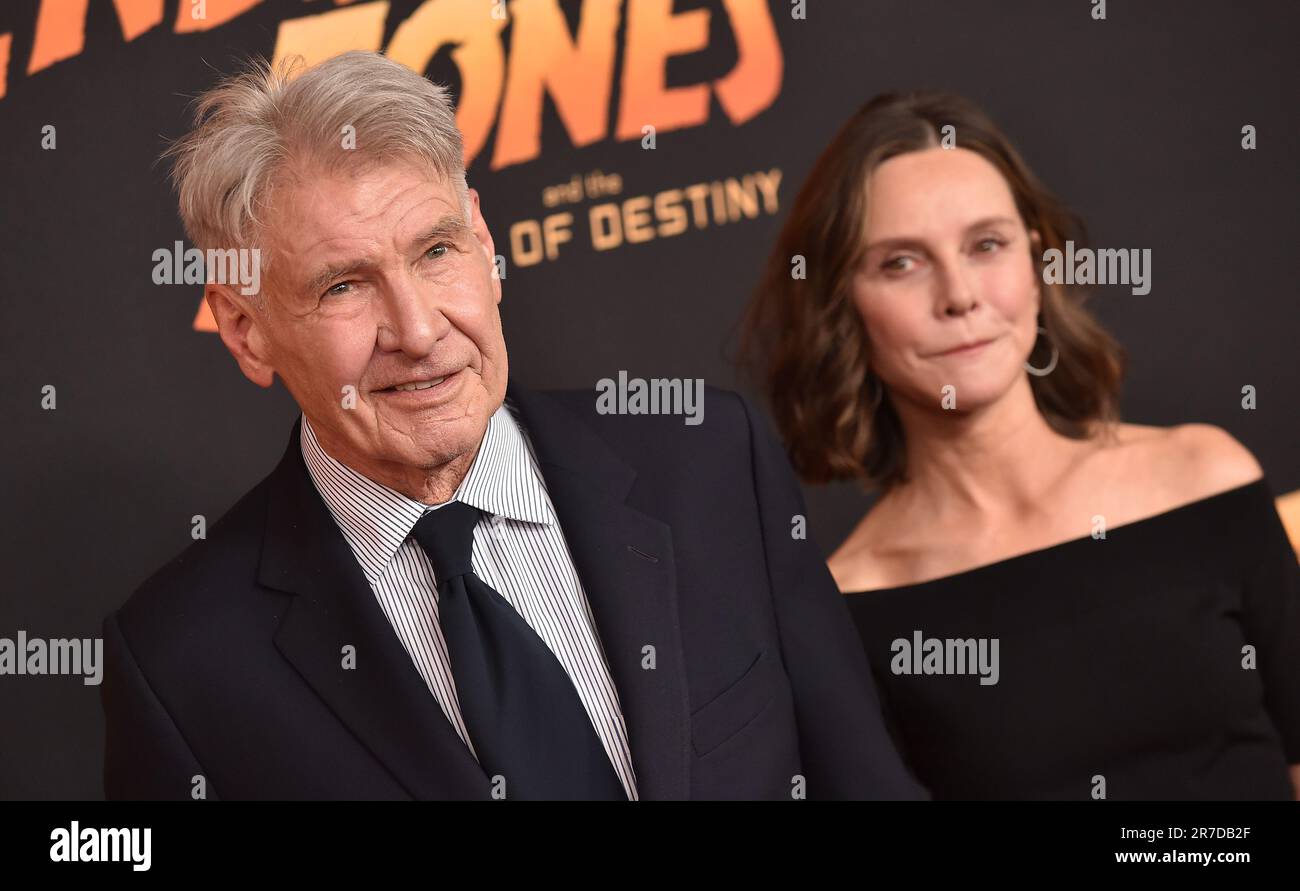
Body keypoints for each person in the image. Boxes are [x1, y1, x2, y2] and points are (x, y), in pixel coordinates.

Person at [99, 51, 924, 801]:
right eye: (344, 286)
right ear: (246, 329)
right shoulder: (182, 663)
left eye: (436, 252)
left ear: (485, 240)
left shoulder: (711, 461)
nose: (418, 331)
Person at [743, 90, 1300, 799]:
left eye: (986, 245)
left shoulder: (1204, 475)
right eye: (901, 263)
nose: (959, 295)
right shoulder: (851, 607)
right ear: (840, 306)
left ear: (1037, 264)